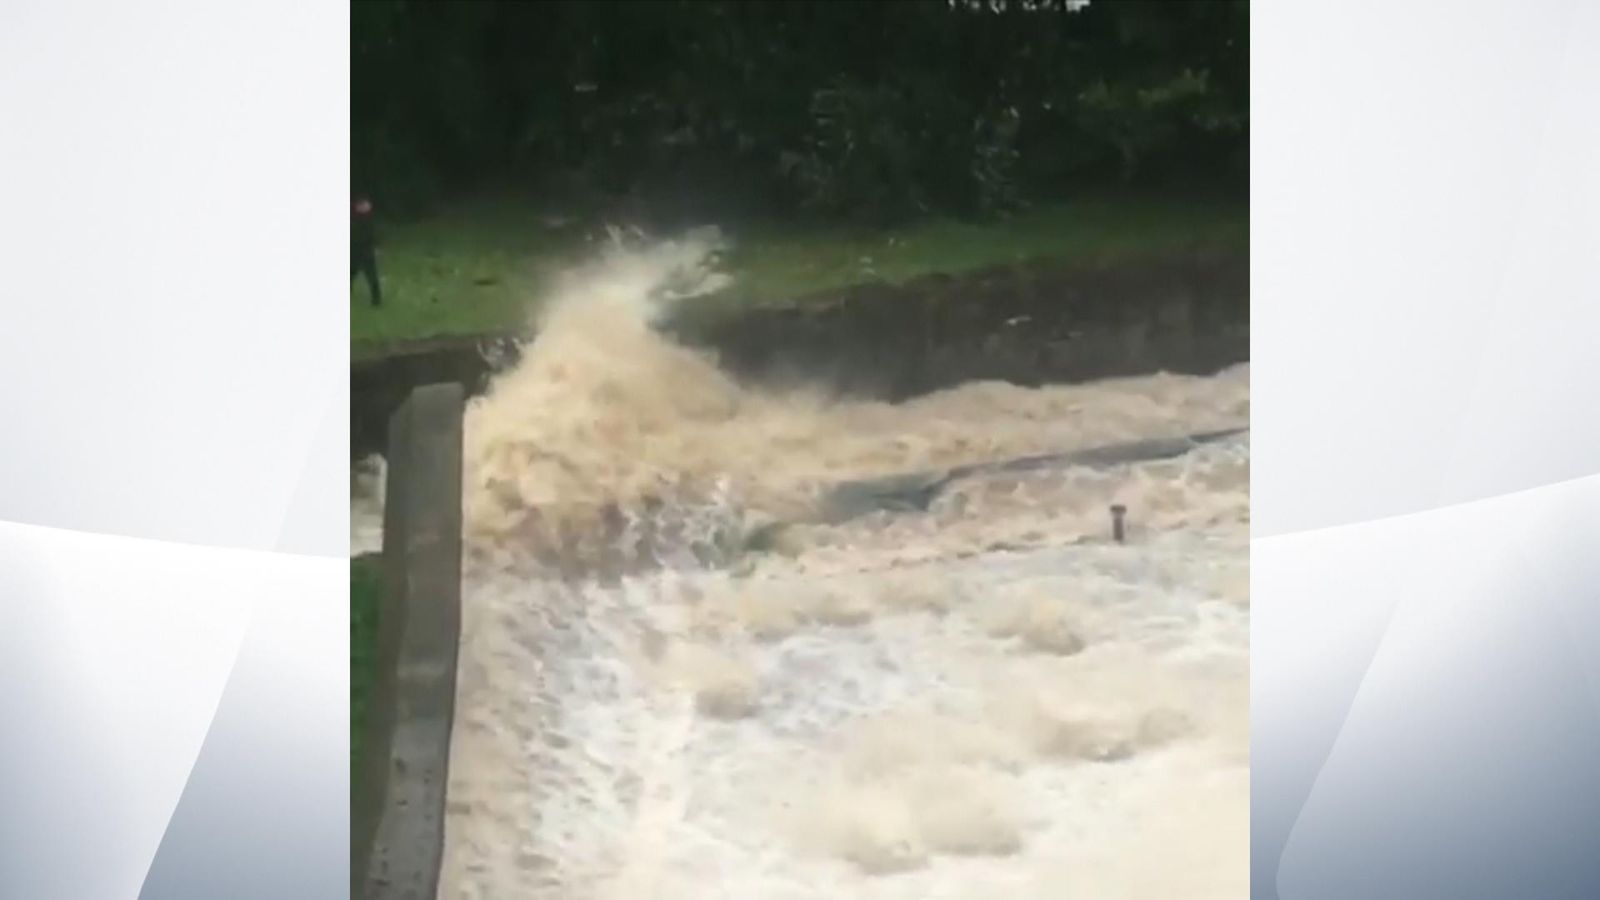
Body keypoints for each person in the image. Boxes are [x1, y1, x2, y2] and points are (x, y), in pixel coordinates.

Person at [351, 194, 381, 306]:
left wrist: (375, 247)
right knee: (351, 271)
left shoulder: (368, 217)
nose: (366, 207)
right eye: (363, 205)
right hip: (353, 248)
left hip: (366, 249)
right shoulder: (352, 216)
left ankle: (376, 299)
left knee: (372, 275)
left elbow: (372, 234)